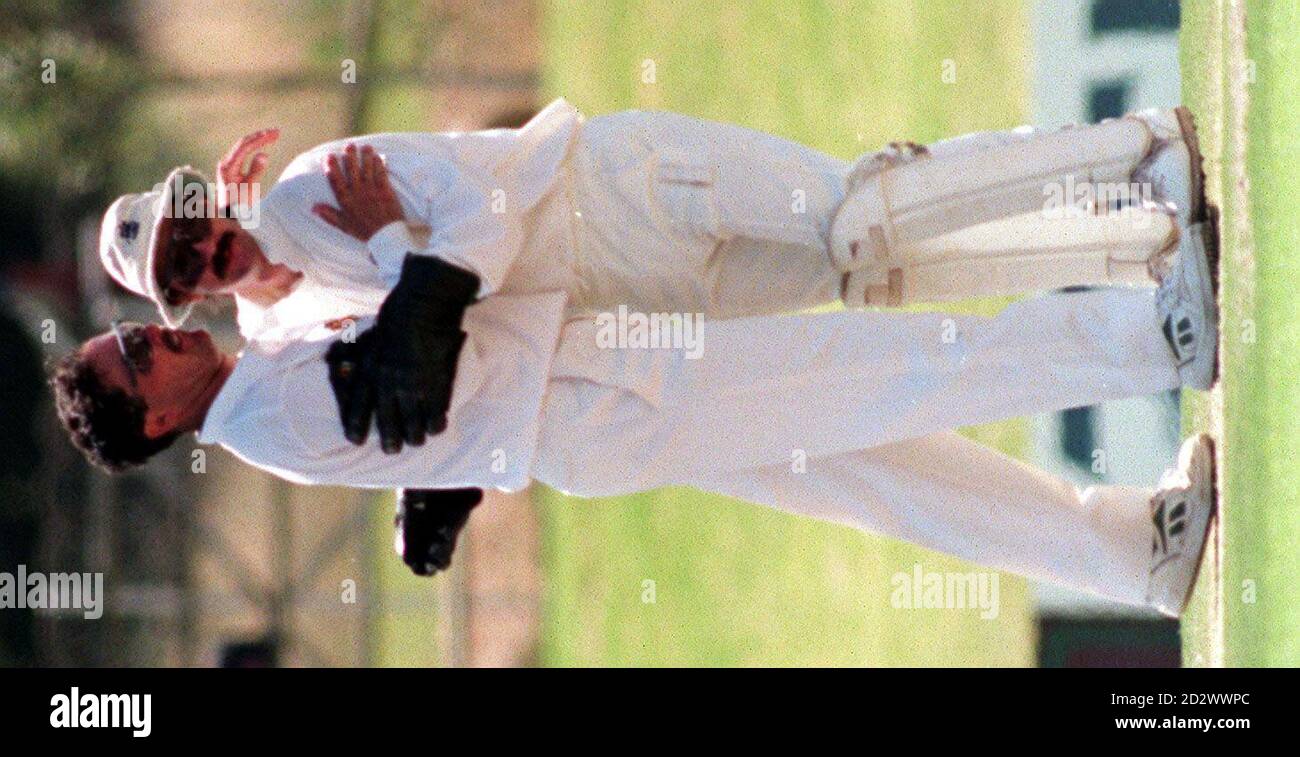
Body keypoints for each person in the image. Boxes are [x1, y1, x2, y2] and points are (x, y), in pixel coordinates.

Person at [52, 195, 1217, 615]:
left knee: (880, 468)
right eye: (136, 355)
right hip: (600, 397)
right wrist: (401, 241)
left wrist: (284, 260)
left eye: (132, 326)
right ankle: (1145, 339)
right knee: (888, 367)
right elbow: (418, 386)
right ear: (156, 419)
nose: (153, 332)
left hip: (596, 398)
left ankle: (1124, 554)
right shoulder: (256, 417)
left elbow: (403, 396)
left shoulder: (253, 377)